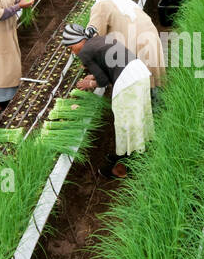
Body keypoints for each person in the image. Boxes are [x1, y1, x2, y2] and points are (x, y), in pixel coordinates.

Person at [62, 22, 154, 179]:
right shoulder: (100, 40)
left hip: (128, 83)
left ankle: (124, 168)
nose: (73, 52)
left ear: (78, 42)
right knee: (137, 117)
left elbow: (103, 81)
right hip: (139, 72)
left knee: (126, 123)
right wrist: (94, 75)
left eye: (71, 47)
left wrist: (90, 83)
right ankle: (128, 154)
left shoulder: (84, 52)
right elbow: (110, 63)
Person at [87, 0, 166, 89]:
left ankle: (146, 102)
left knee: (134, 82)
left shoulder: (101, 5)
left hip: (135, 43)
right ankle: (157, 101)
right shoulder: (125, 3)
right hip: (151, 37)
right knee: (151, 72)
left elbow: (93, 36)